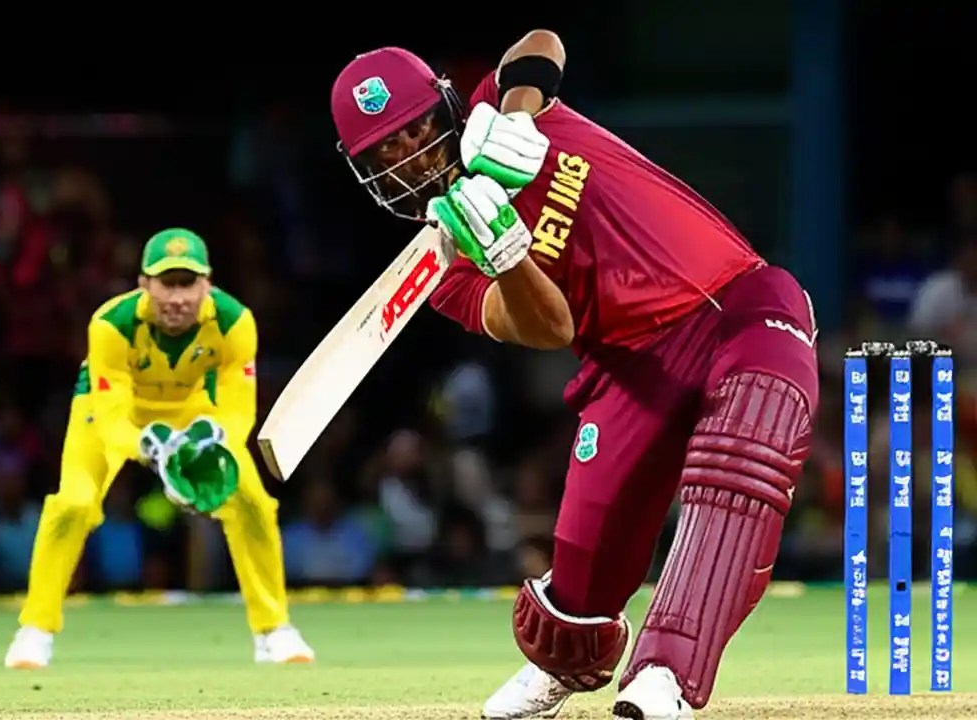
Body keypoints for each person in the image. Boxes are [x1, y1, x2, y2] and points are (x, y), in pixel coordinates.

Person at [329, 30, 818, 720]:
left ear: (445, 106)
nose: (408, 151)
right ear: (369, 170)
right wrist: (504, 251)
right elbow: (550, 328)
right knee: (581, 585)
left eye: (413, 128)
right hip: (629, 370)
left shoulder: (499, 106)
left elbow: (541, 44)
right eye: (386, 148)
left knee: (740, 461)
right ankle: (562, 665)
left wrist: (517, 121)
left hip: (733, 303)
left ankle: (666, 674)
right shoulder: (443, 270)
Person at [4, 228, 315, 668]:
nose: (177, 298)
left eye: (187, 284)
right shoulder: (111, 324)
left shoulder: (235, 322)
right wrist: (148, 446)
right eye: (166, 283)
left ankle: (274, 629)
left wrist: (213, 438)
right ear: (143, 285)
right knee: (73, 504)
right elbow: (111, 416)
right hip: (114, 412)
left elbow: (238, 407)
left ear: (207, 285)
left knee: (253, 504)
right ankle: (35, 630)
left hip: (194, 412)